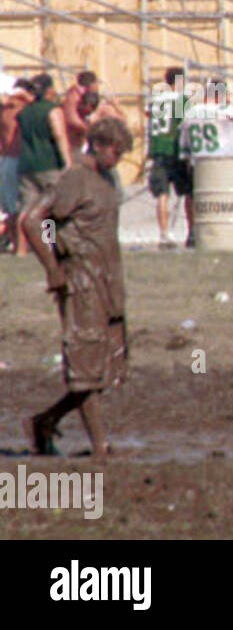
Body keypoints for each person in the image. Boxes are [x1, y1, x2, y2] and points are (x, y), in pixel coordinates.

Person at [22, 118, 133, 458]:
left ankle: (45, 421)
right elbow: (33, 219)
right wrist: (54, 266)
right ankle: (100, 446)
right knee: (86, 366)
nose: (118, 158)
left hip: (108, 282)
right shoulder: (74, 180)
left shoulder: (102, 181)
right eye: (116, 151)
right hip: (82, 281)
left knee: (108, 367)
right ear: (98, 145)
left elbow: (54, 223)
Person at [16, 75, 74, 257]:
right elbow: (59, 136)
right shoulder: (52, 110)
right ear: (49, 90)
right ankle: (52, 244)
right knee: (52, 208)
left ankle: (21, 249)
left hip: (26, 165)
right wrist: (68, 163)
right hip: (49, 164)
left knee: (26, 209)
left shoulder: (23, 113)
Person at [147, 67, 194, 249]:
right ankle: (192, 231)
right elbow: (186, 122)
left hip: (158, 149)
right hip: (175, 149)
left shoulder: (155, 100)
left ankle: (164, 234)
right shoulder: (182, 100)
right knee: (189, 192)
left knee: (162, 194)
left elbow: (149, 117)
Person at [1, 77, 34, 254]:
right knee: (39, 207)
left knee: (13, 208)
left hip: (8, 159)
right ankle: (44, 242)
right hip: (22, 160)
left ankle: (17, 244)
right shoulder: (28, 108)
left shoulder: (7, 108)